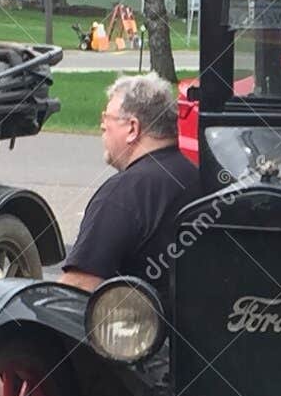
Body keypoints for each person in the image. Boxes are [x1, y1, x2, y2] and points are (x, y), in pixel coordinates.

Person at [58, 73, 197, 294]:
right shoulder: (197, 177)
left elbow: (79, 285)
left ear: (133, 128)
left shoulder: (124, 193)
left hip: (142, 324)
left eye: (107, 118)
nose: (102, 126)